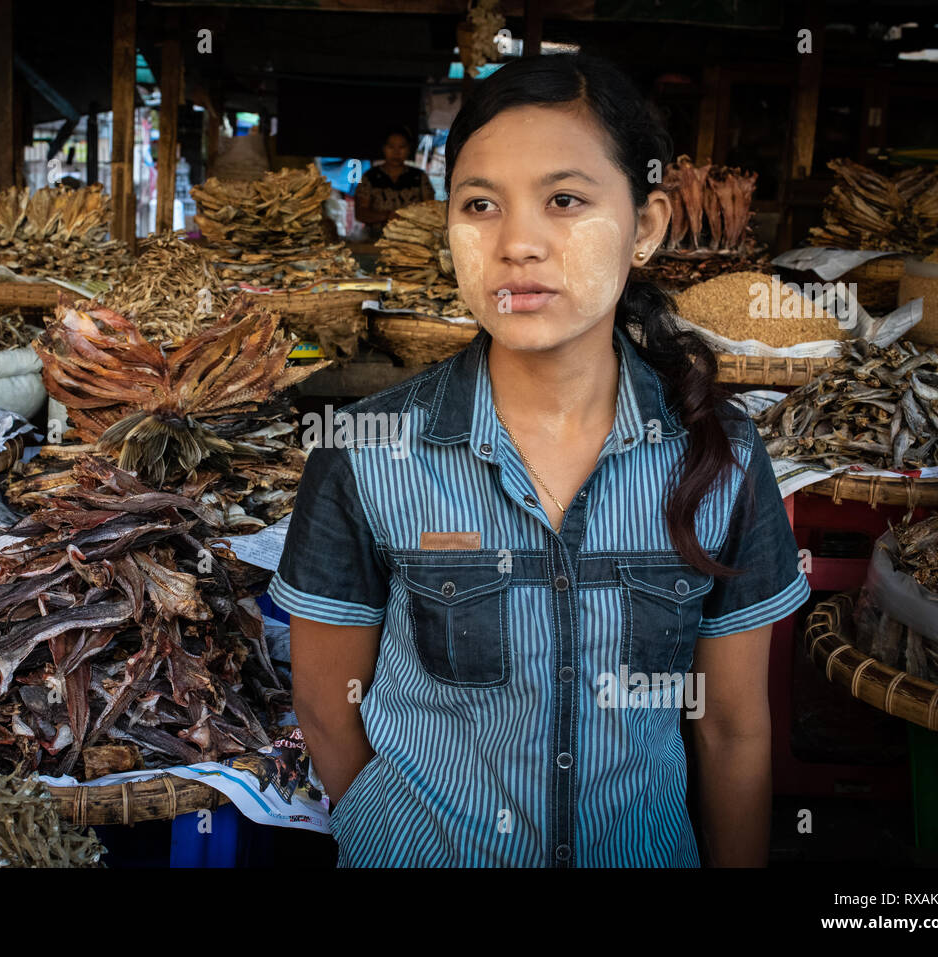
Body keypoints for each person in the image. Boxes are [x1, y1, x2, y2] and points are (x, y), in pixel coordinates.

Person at [267, 52, 809, 868]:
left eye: (565, 200)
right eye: (480, 204)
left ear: (647, 226)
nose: (518, 243)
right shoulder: (365, 451)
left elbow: (733, 729)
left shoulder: (720, 457)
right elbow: (324, 702)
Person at [353, 126, 436, 239]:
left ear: (409, 149)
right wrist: (387, 216)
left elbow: (431, 211)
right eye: (391, 147)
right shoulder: (370, 177)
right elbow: (360, 213)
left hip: (413, 241)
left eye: (402, 147)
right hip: (377, 240)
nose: (396, 152)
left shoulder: (419, 177)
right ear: (383, 148)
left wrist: (410, 217)